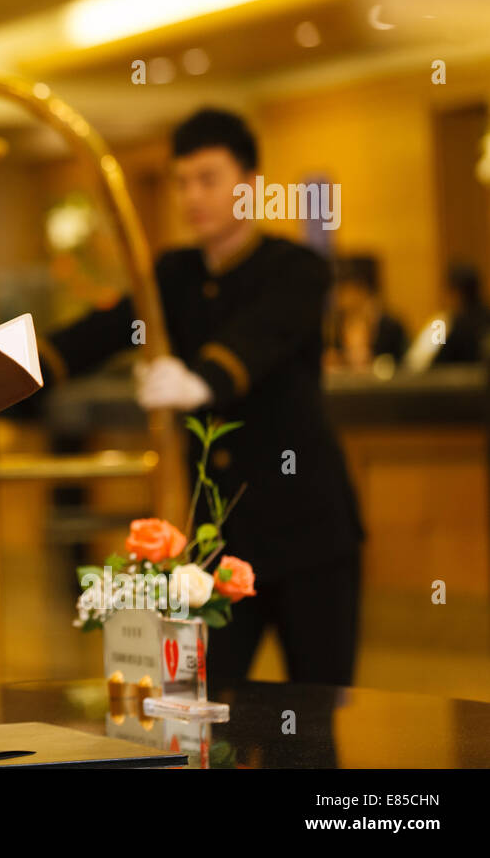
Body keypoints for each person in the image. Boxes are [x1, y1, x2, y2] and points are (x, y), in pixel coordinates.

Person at [43, 107, 365, 687]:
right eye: (182, 180)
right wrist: (4, 374)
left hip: (310, 535)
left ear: (250, 186)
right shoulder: (174, 273)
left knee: (316, 721)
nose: (192, 195)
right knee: (201, 712)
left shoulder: (295, 268)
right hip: (218, 545)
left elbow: (264, 333)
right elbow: (98, 333)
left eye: (208, 179)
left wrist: (201, 381)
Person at [324, 255, 408, 371]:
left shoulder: (390, 326)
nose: (339, 297)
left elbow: (404, 365)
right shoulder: (335, 325)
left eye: (344, 289)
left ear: (362, 289)